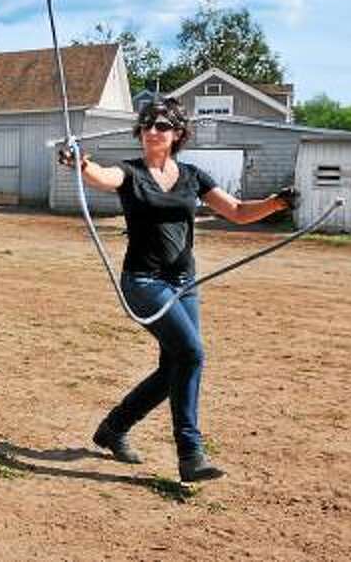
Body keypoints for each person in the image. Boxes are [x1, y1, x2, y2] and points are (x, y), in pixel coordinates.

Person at [58, 98, 296, 482]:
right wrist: (80, 162)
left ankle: (114, 428)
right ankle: (190, 453)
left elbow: (236, 210)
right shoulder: (130, 173)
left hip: (186, 284)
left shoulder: (192, 176)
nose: (154, 130)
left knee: (174, 365)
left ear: (178, 134)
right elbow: (101, 176)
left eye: (163, 125)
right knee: (191, 353)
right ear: (139, 132)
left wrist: (276, 203)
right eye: (148, 124)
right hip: (144, 282)